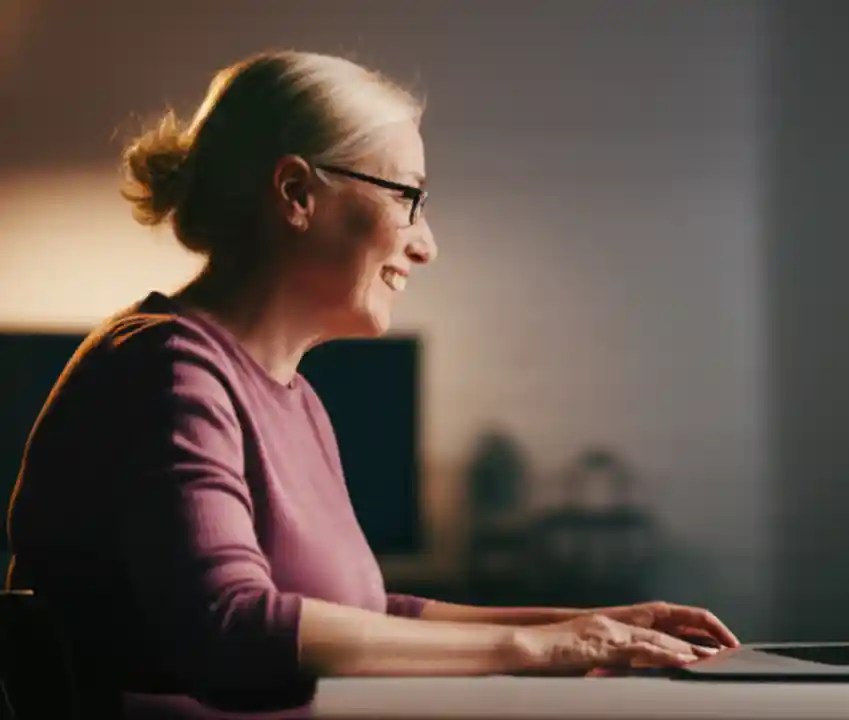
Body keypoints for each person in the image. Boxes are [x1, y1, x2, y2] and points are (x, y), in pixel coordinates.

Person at [4, 50, 737, 713]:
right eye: (406, 196)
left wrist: (586, 627)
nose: (426, 242)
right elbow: (231, 628)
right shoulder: (168, 372)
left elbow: (360, 616)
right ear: (295, 192)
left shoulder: (292, 396)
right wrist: (544, 648)